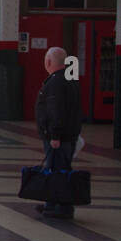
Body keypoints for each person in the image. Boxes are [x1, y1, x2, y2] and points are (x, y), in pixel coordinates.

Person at [35, 46, 83, 220]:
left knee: (58, 170)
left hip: (59, 137)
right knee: (57, 169)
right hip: (69, 134)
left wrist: (55, 135)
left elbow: (56, 111)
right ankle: (52, 202)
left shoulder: (55, 82)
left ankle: (63, 207)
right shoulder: (70, 80)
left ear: (48, 62)